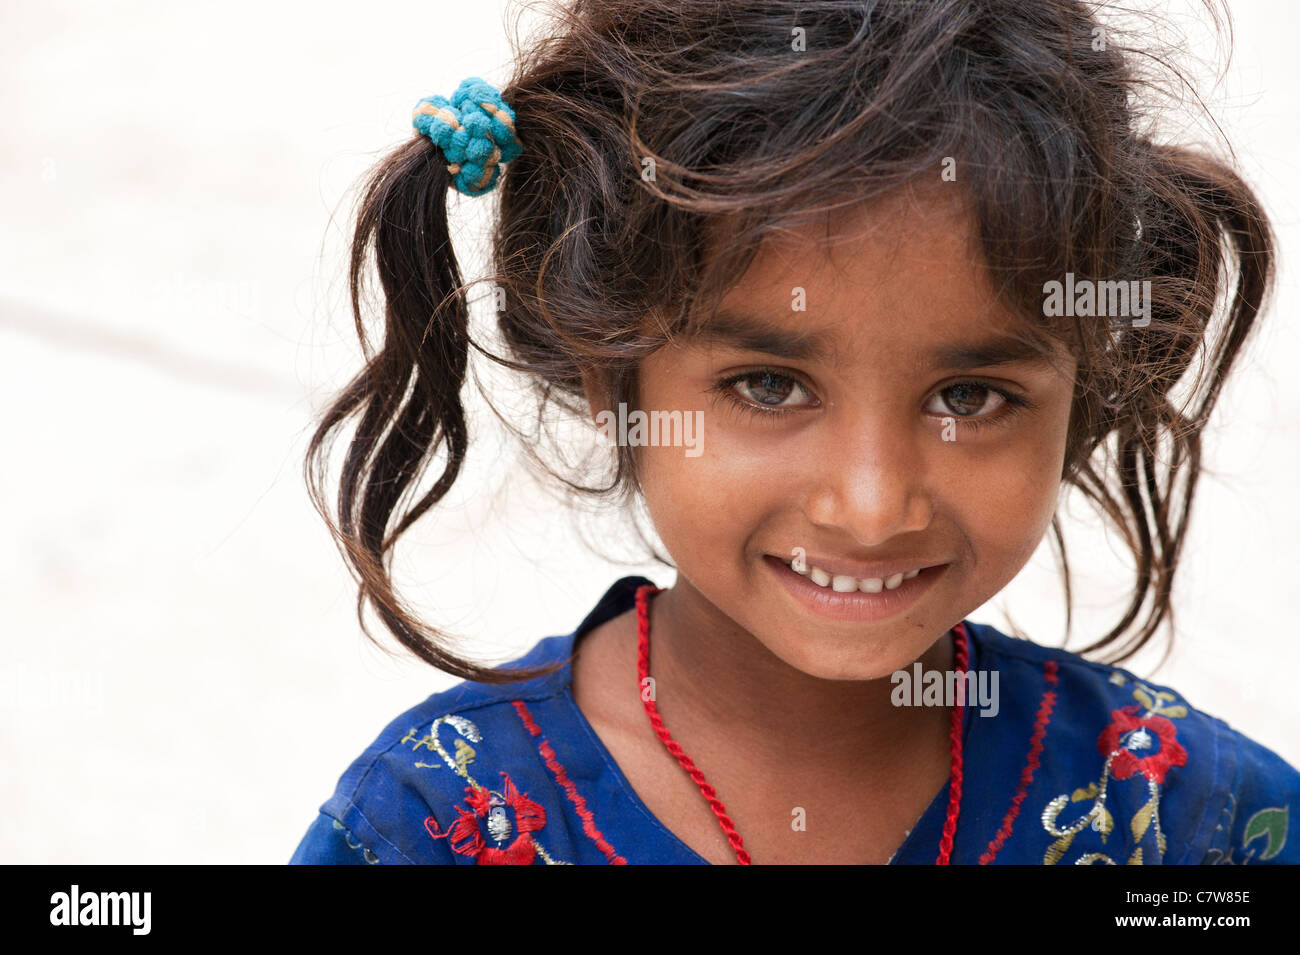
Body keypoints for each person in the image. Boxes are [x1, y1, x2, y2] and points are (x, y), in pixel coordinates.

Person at [289, 0, 1299, 865]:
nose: (869, 502)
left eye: (969, 397)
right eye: (768, 384)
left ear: (1083, 390)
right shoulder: (436, 825)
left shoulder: (1175, 818)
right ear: (610, 371)